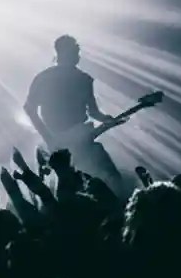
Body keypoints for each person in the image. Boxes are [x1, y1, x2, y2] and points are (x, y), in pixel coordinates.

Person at [23, 35, 123, 188]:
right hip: (73, 144)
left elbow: (94, 112)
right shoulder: (81, 79)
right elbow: (94, 113)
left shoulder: (45, 78)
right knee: (109, 177)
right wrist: (48, 137)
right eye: (75, 51)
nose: (78, 56)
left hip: (68, 140)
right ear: (64, 52)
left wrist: (48, 137)